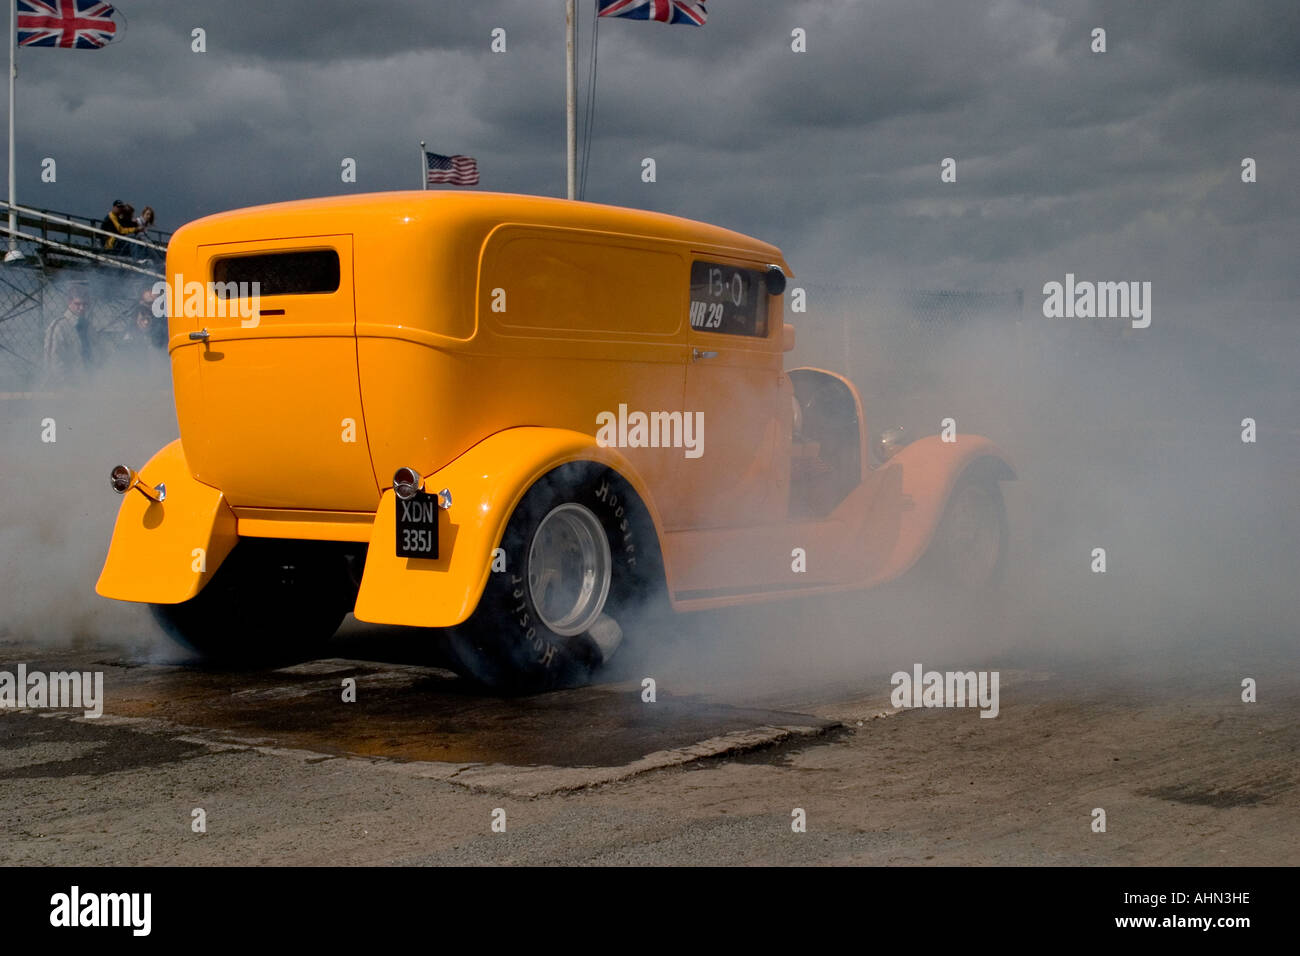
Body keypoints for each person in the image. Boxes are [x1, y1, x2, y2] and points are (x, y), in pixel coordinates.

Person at [42, 285, 94, 387]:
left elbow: (98, 356)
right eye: (78, 304)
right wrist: (68, 386)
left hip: (88, 385)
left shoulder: (89, 327)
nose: (82, 308)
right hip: (63, 389)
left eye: (85, 304)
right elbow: (52, 363)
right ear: (69, 302)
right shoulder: (58, 326)